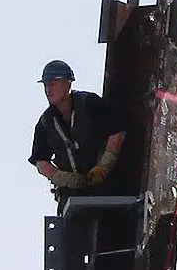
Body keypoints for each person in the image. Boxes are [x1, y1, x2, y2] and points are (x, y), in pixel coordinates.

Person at [27, 62, 126, 198]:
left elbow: (117, 132)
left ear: (68, 84)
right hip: (71, 195)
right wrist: (64, 178)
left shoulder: (90, 103)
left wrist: (103, 167)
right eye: (45, 85)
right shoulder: (45, 122)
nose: (48, 90)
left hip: (107, 187)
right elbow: (40, 161)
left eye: (52, 84)